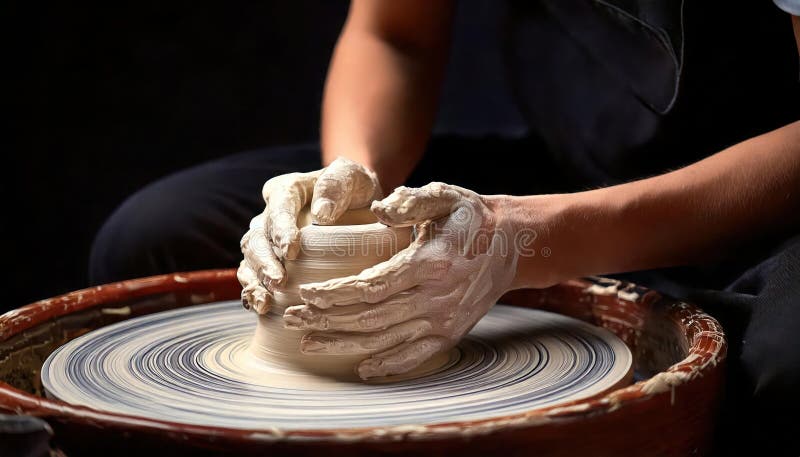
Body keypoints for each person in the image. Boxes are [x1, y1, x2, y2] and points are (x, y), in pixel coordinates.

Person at [89, 1, 800, 454]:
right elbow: (395, 36)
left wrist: (528, 237)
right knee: (160, 235)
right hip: (575, 169)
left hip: (763, 203)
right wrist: (352, 182)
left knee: (784, 371)